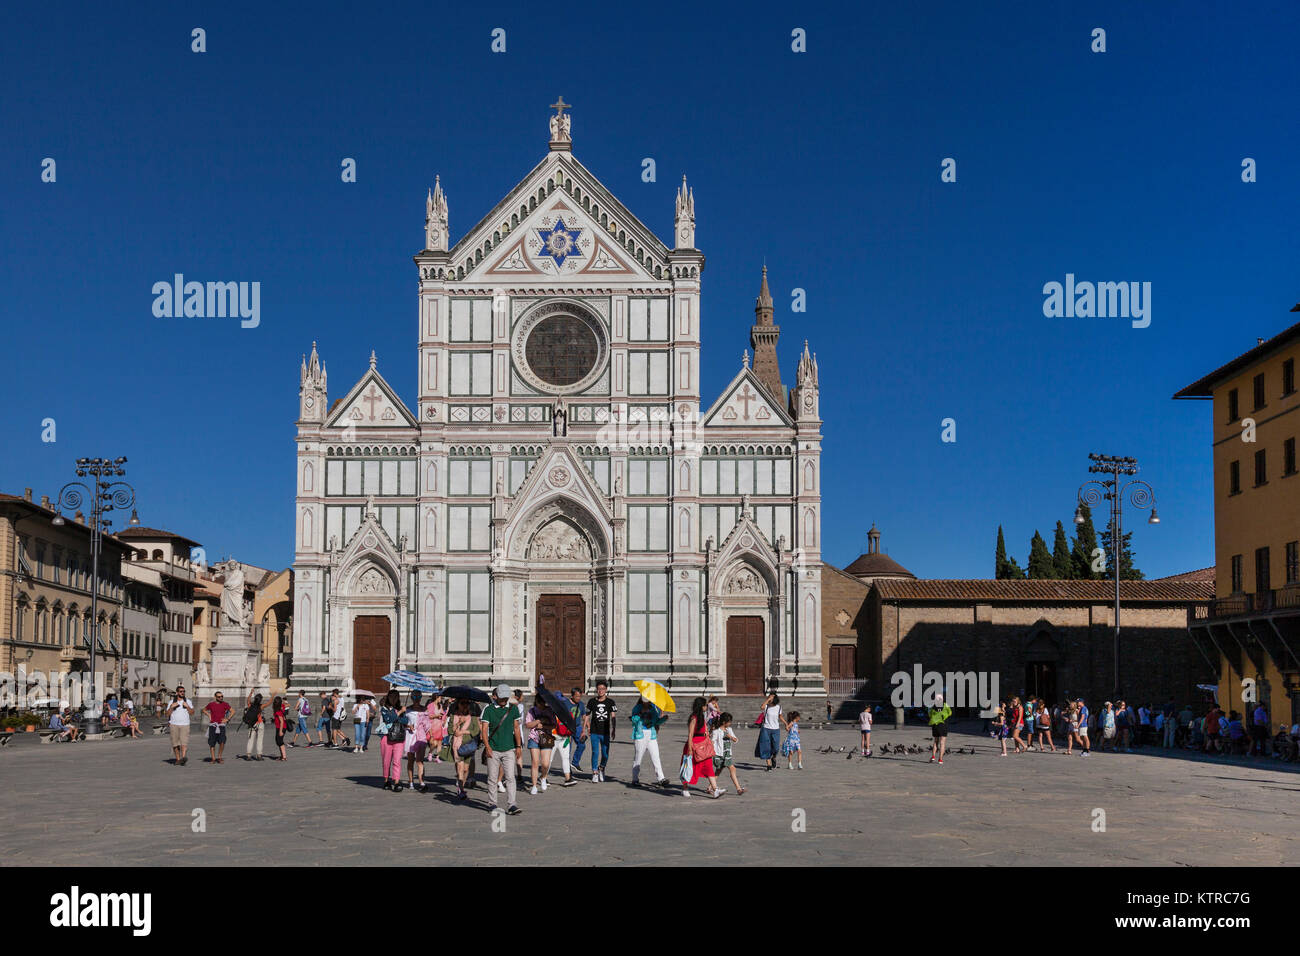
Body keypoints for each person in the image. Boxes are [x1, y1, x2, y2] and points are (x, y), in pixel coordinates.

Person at [481, 684, 523, 816]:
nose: (505, 700)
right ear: (496, 696)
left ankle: (512, 805)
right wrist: (487, 747)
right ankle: (492, 803)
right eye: (502, 698)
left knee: (510, 777)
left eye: (506, 698)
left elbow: (516, 728)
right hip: (493, 748)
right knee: (492, 778)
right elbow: (484, 730)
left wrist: (518, 746)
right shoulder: (488, 710)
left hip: (509, 748)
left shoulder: (513, 709)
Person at [680, 697, 723, 798]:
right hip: (694, 745)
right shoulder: (694, 718)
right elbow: (690, 734)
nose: (706, 707)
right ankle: (685, 788)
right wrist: (690, 749)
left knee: (708, 766)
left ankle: (715, 789)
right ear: (701, 706)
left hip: (703, 745)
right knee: (689, 766)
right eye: (705, 705)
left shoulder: (702, 717)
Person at [629, 696, 669, 786]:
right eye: (646, 701)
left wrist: (663, 720)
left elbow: (656, 722)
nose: (647, 702)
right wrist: (640, 713)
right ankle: (635, 779)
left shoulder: (653, 708)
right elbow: (633, 720)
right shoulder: (637, 708)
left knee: (656, 756)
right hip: (640, 734)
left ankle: (661, 778)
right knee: (638, 757)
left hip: (651, 734)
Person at [448, 698, 481, 800]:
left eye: (467, 703)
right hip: (457, 746)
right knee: (460, 768)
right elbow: (449, 730)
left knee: (466, 769)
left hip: (469, 746)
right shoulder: (454, 716)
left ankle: (461, 784)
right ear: (458, 704)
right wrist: (458, 724)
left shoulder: (473, 717)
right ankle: (461, 790)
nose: (465, 705)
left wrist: (463, 732)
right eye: (463, 703)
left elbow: (476, 730)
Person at [584, 681, 617, 782]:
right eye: (598, 689)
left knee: (605, 753)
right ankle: (594, 772)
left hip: (605, 732)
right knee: (595, 752)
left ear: (606, 690)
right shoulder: (592, 701)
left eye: (602, 689)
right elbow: (587, 716)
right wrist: (584, 729)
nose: (600, 691)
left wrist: (614, 730)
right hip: (594, 731)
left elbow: (613, 717)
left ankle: (601, 768)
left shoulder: (611, 702)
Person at [377, 691, 409, 791]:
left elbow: (405, 721)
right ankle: (386, 780)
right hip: (386, 737)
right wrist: (398, 714)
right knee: (386, 761)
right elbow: (388, 719)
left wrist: (400, 713)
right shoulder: (384, 709)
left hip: (399, 737)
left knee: (397, 761)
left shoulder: (401, 708)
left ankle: (396, 781)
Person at [525, 695, 555, 795]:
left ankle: (543, 777)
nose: (542, 705)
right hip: (534, 738)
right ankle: (534, 786)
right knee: (535, 762)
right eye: (540, 703)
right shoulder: (532, 711)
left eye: (544, 703)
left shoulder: (549, 710)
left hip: (546, 738)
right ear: (536, 702)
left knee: (545, 763)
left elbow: (554, 725)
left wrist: (544, 725)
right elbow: (527, 725)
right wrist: (537, 721)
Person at [713, 713, 745, 794]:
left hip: (728, 754)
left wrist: (730, 736)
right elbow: (712, 742)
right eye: (729, 722)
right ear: (724, 722)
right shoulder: (716, 731)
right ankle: (738, 789)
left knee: (719, 771)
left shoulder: (729, 730)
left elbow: (736, 740)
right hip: (719, 755)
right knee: (730, 769)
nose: (730, 723)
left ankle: (709, 788)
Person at [404, 691, 430, 790]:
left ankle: (421, 782)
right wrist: (407, 725)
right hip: (410, 736)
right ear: (411, 697)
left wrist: (429, 734)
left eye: (418, 697)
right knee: (410, 761)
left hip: (421, 737)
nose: (416, 699)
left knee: (420, 761)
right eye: (414, 697)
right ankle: (411, 782)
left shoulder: (424, 709)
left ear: (420, 698)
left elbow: (427, 725)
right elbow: (402, 722)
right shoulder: (407, 709)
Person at [202, 691, 233, 763]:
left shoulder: (225, 704)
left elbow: (233, 711)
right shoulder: (211, 704)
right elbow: (204, 710)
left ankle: (219, 757)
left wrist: (227, 719)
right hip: (213, 725)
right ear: (215, 697)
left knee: (222, 741)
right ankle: (213, 758)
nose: (221, 698)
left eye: (222, 696)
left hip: (221, 725)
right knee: (212, 742)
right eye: (219, 697)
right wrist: (208, 715)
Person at [166, 685, 194, 765]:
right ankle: (178, 759)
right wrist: (171, 707)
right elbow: (167, 714)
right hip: (174, 724)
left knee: (184, 743)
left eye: (184, 691)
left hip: (185, 724)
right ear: (177, 692)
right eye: (181, 691)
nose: (183, 693)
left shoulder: (188, 701)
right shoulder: (171, 702)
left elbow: (192, 713)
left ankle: (183, 757)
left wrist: (187, 707)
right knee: (175, 743)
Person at [754, 692, 782, 771]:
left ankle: (773, 757)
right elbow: (762, 707)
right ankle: (769, 764)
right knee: (766, 746)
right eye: (769, 697)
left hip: (776, 729)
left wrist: (786, 724)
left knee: (776, 748)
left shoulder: (779, 707)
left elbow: (780, 716)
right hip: (766, 728)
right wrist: (768, 699)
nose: (770, 698)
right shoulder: (766, 706)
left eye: (772, 697)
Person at [928, 693, 952, 763]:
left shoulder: (931, 705)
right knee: (942, 742)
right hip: (943, 725)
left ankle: (933, 756)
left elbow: (929, 714)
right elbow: (950, 713)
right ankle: (940, 759)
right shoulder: (945, 705)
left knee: (935, 741)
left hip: (935, 725)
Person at [568, 687, 588, 770]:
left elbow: (584, 716)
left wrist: (585, 729)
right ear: (572, 696)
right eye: (577, 696)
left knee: (582, 745)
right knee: (567, 750)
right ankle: (567, 770)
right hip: (567, 728)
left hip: (578, 727)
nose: (578, 698)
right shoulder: (566, 703)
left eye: (580, 696)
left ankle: (575, 763)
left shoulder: (581, 704)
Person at [243, 692, 267, 760]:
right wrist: (273, 696)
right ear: (260, 700)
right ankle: (259, 755)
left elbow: (248, 700)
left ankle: (248, 755)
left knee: (250, 739)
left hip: (252, 724)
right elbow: (269, 703)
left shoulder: (250, 705)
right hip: (259, 723)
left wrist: (251, 692)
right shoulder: (261, 706)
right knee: (260, 740)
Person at [271, 696, 289, 761]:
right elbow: (286, 704)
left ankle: (284, 757)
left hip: (281, 727)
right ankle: (282, 756)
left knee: (280, 742)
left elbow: (281, 721)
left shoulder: (278, 711)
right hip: (280, 727)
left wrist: (280, 731)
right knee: (278, 741)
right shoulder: (282, 707)